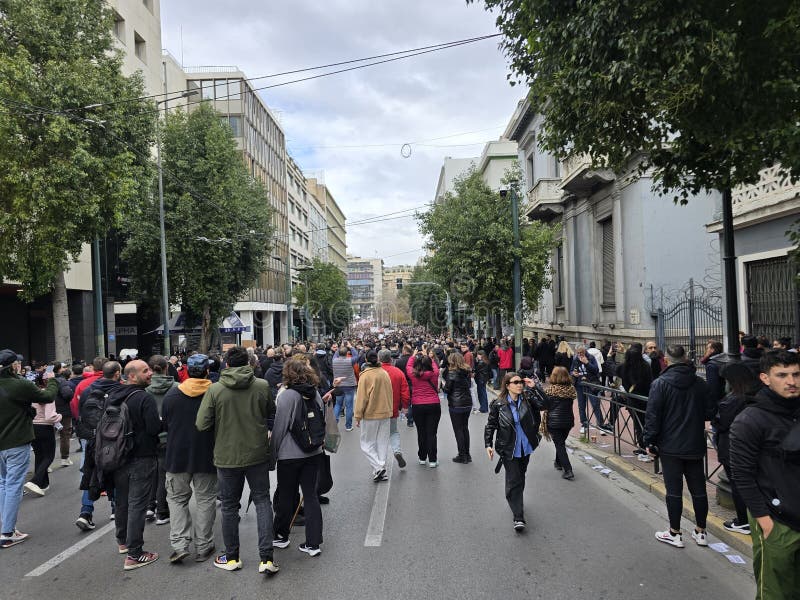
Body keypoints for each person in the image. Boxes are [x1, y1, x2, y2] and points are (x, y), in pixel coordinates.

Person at [196, 346, 279, 575]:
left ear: (227, 364)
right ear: (250, 364)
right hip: (257, 453)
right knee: (263, 501)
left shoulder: (215, 390)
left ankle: (232, 557)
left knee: (230, 506)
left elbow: (201, 424)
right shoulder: (261, 385)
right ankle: (266, 558)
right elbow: (271, 411)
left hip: (226, 456)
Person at [730, 350, 800, 599]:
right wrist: (765, 522)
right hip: (777, 522)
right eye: (782, 375)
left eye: (796, 374)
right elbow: (742, 476)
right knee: (776, 594)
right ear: (765, 378)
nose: (791, 381)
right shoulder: (749, 420)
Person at [643, 345, 715, 549]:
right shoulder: (700, 383)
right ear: (685, 358)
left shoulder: (660, 384)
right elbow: (710, 412)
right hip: (694, 443)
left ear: (666, 359)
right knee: (698, 490)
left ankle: (675, 532)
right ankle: (701, 531)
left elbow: (653, 416)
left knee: (674, 490)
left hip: (670, 445)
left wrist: (649, 440)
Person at [161, 354, 217, 564]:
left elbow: (165, 425)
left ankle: (179, 544)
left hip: (177, 456)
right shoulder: (214, 394)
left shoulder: (172, 396)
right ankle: (204, 545)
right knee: (205, 500)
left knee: (176, 500)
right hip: (207, 455)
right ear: (206, 371)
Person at [107, 360, 162, 570]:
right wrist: (161, 421)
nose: (150, 373)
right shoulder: (144, 398)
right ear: (131, 376)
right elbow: (153, 428)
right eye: (145, 371)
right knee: (138, 504)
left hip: (118, 457)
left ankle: (123, 541)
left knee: (122, 501)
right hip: (142, 457)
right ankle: (135, 554)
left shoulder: (115, 395)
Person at [0, 349, 57, 548]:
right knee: (13, 485)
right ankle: (7, 532)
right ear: (13, 366)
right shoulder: (19, 384)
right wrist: (52, 380)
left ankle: (7, 528)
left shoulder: (18, 383)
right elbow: (48, 396)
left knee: (4, 484)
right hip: (17, 442)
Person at [271, 359, 325, 557]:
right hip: (313, 452)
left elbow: (279, 428)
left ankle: (281, 536)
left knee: (286, 494)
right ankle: (313, 543)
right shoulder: (315, 393)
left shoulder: (288, 396)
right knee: (310, 496)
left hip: (289, 454)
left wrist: (272, 454)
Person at [484, 372, 542, 532]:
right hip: (508, 448)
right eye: (516, 382)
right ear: (507, 385)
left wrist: (535, 387)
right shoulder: (498, 404)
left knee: (520, 477)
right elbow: (491, 425)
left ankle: (516, 499)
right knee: (515, 479)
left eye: (521, 382)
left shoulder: (528, 400)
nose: (519, 385)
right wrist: (487, 444)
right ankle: (518, 516)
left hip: (526, 447)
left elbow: (546, 404)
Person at [712, 362, 759, 536]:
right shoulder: (755, 394)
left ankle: (743, 521)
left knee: (739, 484)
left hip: (732, 447)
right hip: (751, 446)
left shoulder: (732, 400)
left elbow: (721, 422)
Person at [75, 361, 122, 531]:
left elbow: (79, 412)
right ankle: (116, 508)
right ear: (117, 374)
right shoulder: (119, 390)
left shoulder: (88, 389)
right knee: (115, 472)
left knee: (90, 475)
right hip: (113, 438)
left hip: (91, 438)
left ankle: (85, 513)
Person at [145, 355, 178, 526]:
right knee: (164, 475)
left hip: (150, 438)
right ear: (167, 368)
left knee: (152, 473)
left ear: (150, 370)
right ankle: (162, 512)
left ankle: (150, 505)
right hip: (170, 437)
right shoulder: (177, 388)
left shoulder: (145, 391)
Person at [354, 350, 393, 481]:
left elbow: (361, 398)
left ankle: (379, 468)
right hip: (385, 412)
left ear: (366, 360)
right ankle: (381, 468)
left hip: (370, 414)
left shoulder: (365, 376)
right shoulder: (384, 373)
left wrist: (358, 415)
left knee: (366, 443)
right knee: (382, 442)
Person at [24, 379, 63, 496]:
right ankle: (35, 481)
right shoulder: (47, 396)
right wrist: (59, 416)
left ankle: (42, 484)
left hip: (32, 427)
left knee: (39, 456)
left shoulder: (29, 396)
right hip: (45, 427)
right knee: (49, 456)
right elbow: (50, 416)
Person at [616, 344, 653, 460]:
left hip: (632, 400)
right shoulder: (645, 366)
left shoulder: (624, 367)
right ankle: (645, 447)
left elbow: (614, 370)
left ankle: (644, 448)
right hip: (645, 399)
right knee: (644, 424)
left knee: (639, 425)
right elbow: (650, 382)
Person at [540, 366, 577, 480]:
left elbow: (543, 406)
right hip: (568, 422)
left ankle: (568, 470)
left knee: (560, 445)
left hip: (554, 423)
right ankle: (558, 462)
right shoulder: (571, 390)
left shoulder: (550, 391)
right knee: (560, 443)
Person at [406, 351, 441, 467]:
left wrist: (413, 355)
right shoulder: (434, 373)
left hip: (417, 405)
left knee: (421, 432)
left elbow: (408, 366)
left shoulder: (413, 374)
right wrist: (428, 356)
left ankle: (422, 457)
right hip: (433, 404)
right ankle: (432, 459)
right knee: (432, 433)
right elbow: (435, 366)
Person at [378, 349, 410, 468]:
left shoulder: (375, 372)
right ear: (390, 359)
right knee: (393, 432)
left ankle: (380, 462)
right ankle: (396, 450)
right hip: (393, 408)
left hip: (376, 410)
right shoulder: (398, 372)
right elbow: (405, 392)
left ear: (379, 359)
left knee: (379, 435)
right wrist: (405, 406)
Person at [571, 345, 609, 434]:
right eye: (578, 353)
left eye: (581, 353)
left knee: (595, 404)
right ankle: (584, 424)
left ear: (585, 351)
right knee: (581, 406)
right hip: (580, 385)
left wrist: (587, 363)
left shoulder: (591, 358)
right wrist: (573, 373)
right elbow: (571, 370)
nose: (580, 355)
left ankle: (601, 425)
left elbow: (596, 370)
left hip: (591, 385)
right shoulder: (575, 359)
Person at [444, 352, 473, 463]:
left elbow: (447, 389)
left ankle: (462, 455)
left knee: (458, 429)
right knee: (465, 428)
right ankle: (467, 454)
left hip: (456, 404)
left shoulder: (451, 373)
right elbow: (468, 385)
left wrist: (443, 385)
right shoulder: (466, 371)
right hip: (467, 402)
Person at [332, 347, 358, 432]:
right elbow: (356, 355)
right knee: (349, 406)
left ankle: (334, 423)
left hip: (338, 385)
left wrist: (339, 348)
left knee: (338, 404)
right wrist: (351, 347)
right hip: (349, 385)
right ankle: (348, 426)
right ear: (347, 353)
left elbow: (336, 353)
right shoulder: (350, 360)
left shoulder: (334, 360)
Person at [395, 345, 415, 427]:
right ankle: (412, 418)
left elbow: (397, 373)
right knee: (414, 401)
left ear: (405, 351)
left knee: (407, 402)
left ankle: (410, 420)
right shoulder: (414, 360)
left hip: (404, 383)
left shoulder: (399, 361)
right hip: (414, 382)